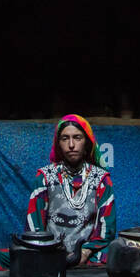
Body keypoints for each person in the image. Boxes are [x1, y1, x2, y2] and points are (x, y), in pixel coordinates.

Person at [23, 114, 116, 267]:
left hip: (87, 256)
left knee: (113, 256)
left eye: (77, 137)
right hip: (48, 253)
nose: (71, 144)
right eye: (65, 138)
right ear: (58, 144)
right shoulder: (44, 177)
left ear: (87, 143)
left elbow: (106, 232)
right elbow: (34, 228)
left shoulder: (101, 180)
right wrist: (48, 251)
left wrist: (84, 253)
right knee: (1, 256)